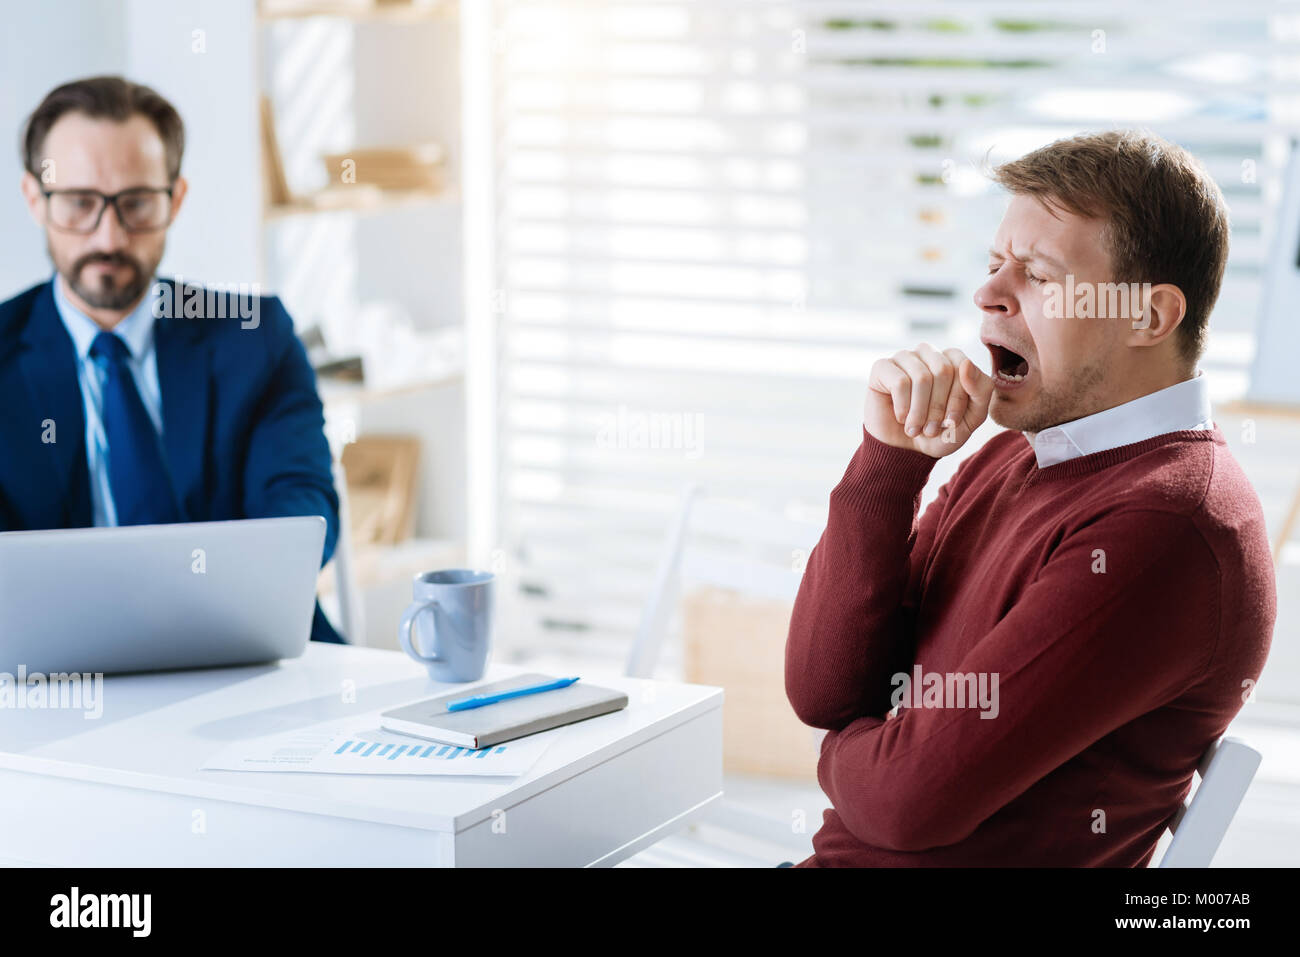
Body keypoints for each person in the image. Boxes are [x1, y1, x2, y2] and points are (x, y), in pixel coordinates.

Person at [785, 130, 1276, 866]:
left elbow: (905, 801)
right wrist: (888, 464)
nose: (986, 294)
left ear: (1149, 315)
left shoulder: (1169, 523)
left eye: (1038, 276)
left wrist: (838, 753)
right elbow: (822, 689)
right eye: (992, 264)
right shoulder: (1012, 455)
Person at [0, 75, 344, 644]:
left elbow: (299, 514)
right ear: (35, 199)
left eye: (135, 203)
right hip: (53, 677)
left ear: (175, 199)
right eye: (80, 203)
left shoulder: (255, 339)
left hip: (250, 654)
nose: (107, 236)